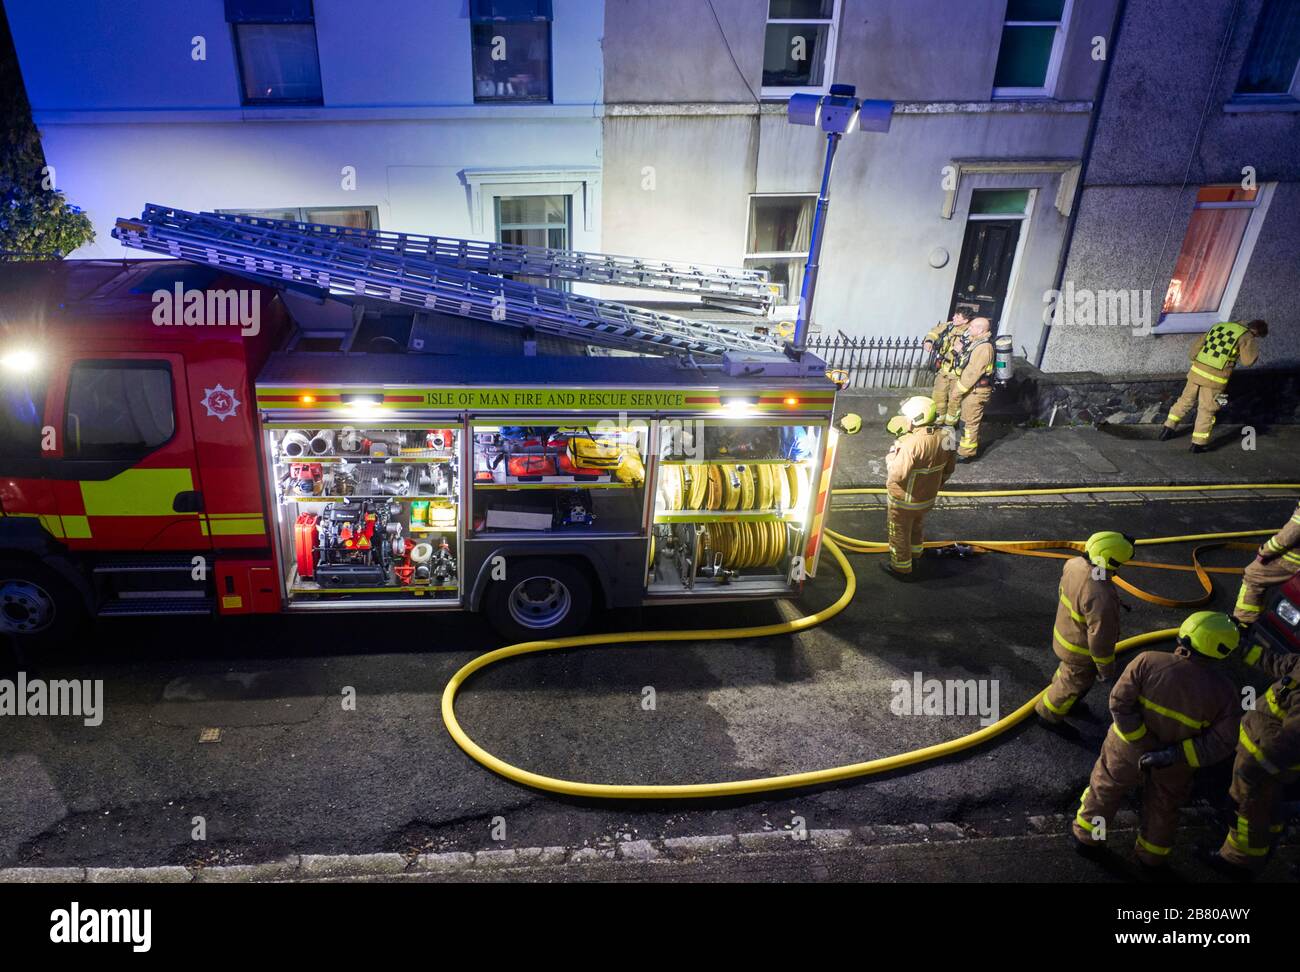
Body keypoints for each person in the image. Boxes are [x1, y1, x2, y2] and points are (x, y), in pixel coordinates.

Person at [1072, 612, 1240, 868]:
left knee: (1105, 790)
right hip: (1175, 765)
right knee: (1163, 807)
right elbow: (1222, 743)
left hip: (1126, 749)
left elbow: (1119, 704)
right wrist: (1172, 755)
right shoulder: (1226, 693)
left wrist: (1142, 742)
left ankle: (1088, 839)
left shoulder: (1147, 662)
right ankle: (1151, 858)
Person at [1201, 643, 1299, 876]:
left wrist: (1254, 769)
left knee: (1246, 810)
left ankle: (1237, 862)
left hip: (1262, 763)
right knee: (1268, 808)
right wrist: (1240, 646)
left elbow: (1291, 743)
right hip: (1259, 754)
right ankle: (1267, 843)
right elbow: (1275, 661)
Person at [1034, 532, 1135, 726]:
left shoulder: (1074, 564)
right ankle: (1048, 716)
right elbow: (1101, 640)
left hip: (1064, 635)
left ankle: (1064, 701)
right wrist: (1106, 670)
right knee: (1074, 683)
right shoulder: (1102, 597)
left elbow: (1087, 588)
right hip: (1080, 652)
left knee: (1067, 673)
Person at [1159, 319, 1267, 453]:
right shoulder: (1246, 336)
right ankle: (1198, 444)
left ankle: (1167, 429)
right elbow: (1247, 361)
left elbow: (1194, 350)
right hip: (1214, 379)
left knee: (1184, 401)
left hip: (1196, 372)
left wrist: (1198, 362)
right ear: (1257, 332)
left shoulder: (1219, 326)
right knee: (1207, 409)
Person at [880, 396, 955, 579]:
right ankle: (916, 554)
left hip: (904, 501)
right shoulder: (948, 436)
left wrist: (891, 456)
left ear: (916, 419)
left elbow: (897, 474)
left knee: (899, 532)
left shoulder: (911, 444)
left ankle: (901, 567)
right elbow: (949, 468)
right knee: (917, 526)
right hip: (926, 499)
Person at [1232, 499, 1300, 625]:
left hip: (1293, 563)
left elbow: (1286, 537)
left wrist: (1264, 551)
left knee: (1253, 575)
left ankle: (1244, 622)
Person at [945, 316, 995, 463]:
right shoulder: (976, 344)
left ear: (980, 330)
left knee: (969, 422)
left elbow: (973, 372)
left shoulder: (984, 347)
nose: (969, 328)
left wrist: (958, 390)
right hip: (972, 389)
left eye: (972, 327)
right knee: (965, 420)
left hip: (976, 391)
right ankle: (964, 448)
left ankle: (967, 453)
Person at [922, 308, 972, 425]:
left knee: (954, 400)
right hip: (944, 370)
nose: (954, 317)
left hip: (959, 374)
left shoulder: (971, 332)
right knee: (938, 396)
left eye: (958, 316)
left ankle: (950, 425)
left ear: (965, 320)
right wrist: (929, 341)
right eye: (955, 315)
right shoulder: (949, 326)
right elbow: (934, 331)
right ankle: (938, 421)